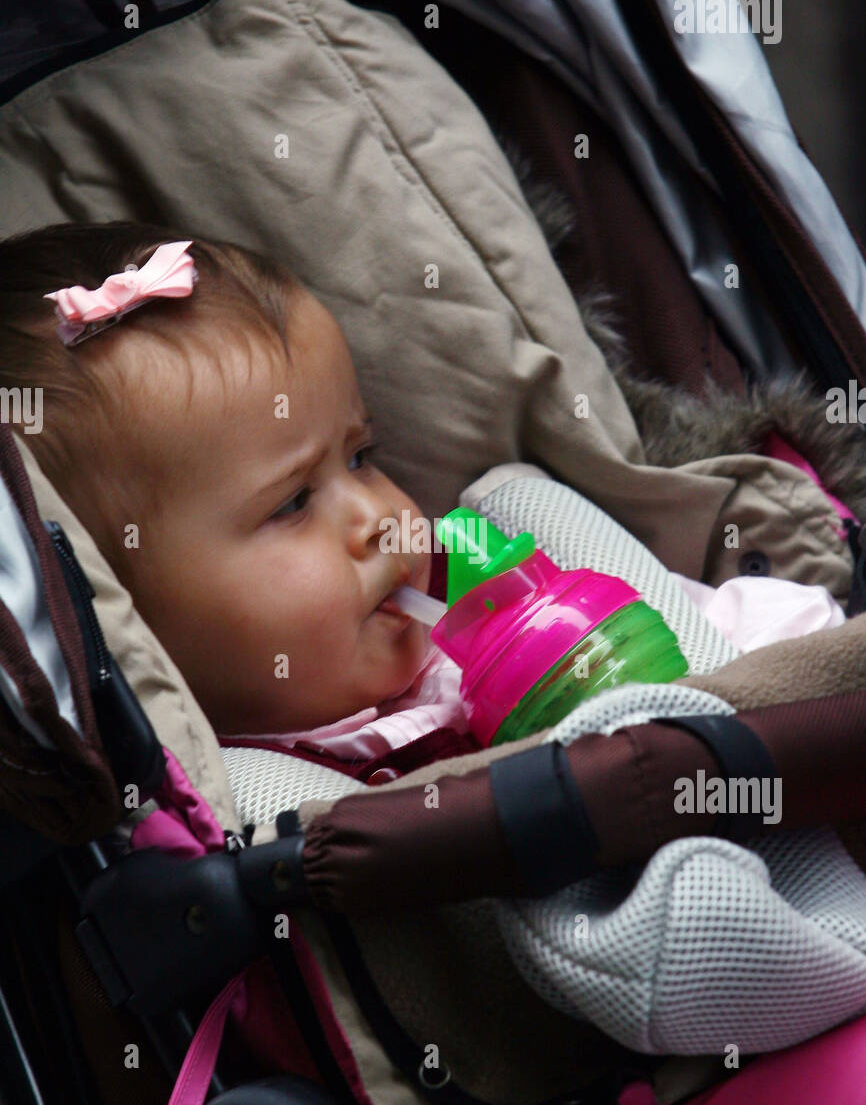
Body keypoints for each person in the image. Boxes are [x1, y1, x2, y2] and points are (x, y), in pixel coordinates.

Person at [0, 220, 847, 786]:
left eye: (362, 457)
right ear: (130, 618)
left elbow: (771, 637)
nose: (379, 518)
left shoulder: (493, 613)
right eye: (293, 504)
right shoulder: (257, 803)